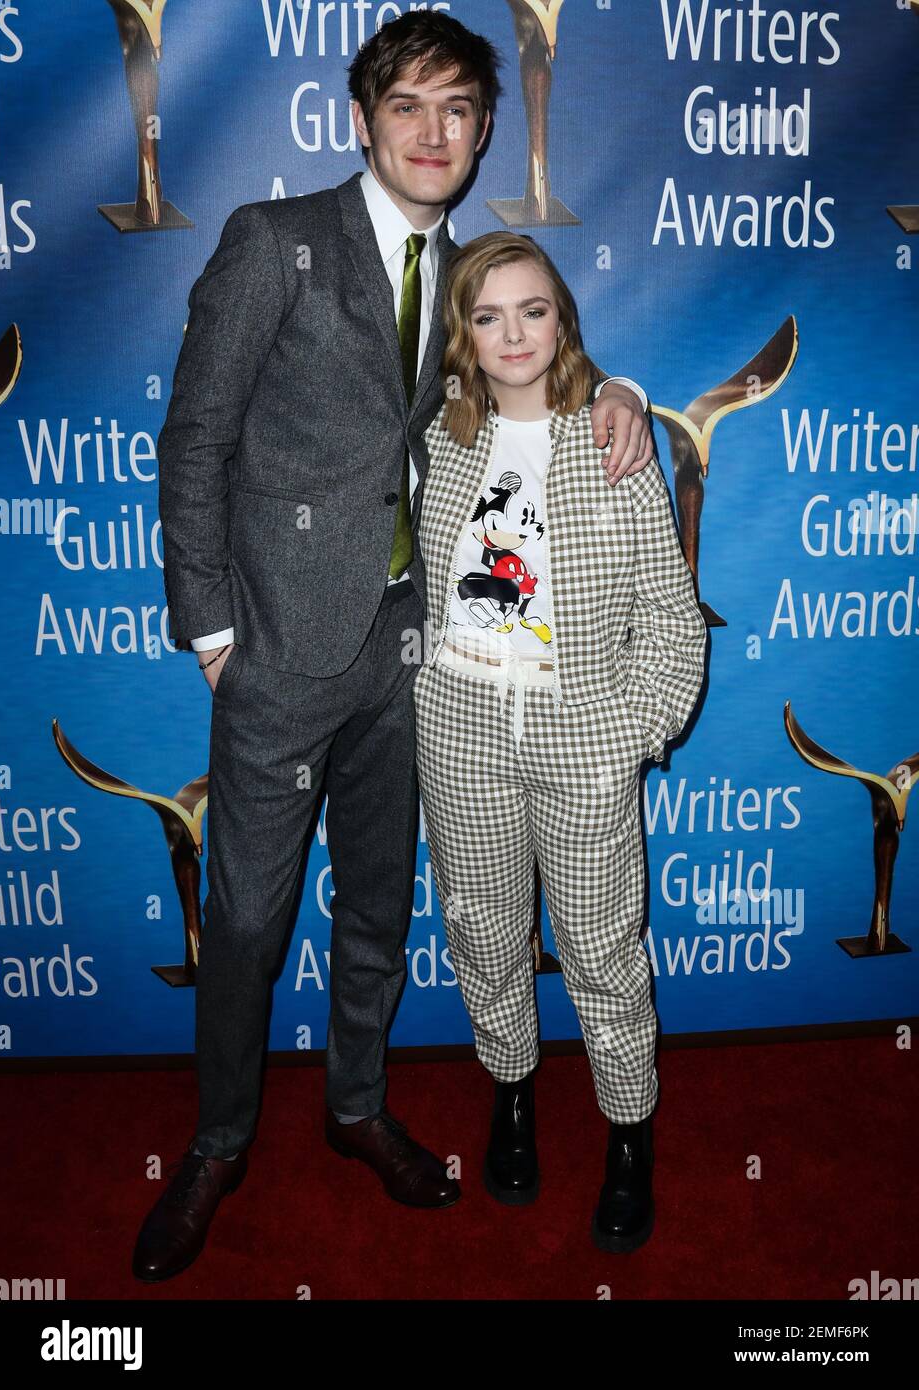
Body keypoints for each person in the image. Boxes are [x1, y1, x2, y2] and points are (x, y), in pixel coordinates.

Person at [139, 10, 654, 1282]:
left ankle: (357, 1106)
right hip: (274, 654)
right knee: (249, 920)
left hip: (412, 653)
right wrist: (210, 630)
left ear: (484, 134)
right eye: (409, 106)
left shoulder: (472, 273)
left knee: (378, 906)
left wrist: (624, 393)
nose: (435, 132)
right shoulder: (277, 242)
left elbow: (533, 374)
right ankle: (216, 1144)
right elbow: (194, 439)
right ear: (361, 119)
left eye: (459, 110)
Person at [412, 231, 707, 1252]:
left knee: (598, 948)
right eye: (487, 316)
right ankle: (512, 1095)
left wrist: (628, 733)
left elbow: (673, 626)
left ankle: (630, 1132)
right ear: (464, 333)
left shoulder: (613, 444)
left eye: (531, 310)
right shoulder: (440, 441)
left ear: (563, 319)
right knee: (484, 933)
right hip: (459, 738)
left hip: (584, 740)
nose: (511, 333)